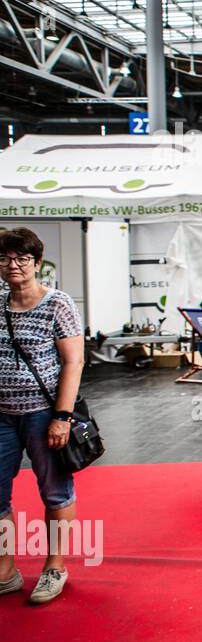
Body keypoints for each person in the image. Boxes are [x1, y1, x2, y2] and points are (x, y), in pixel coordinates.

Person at [0, 227, 86, 605]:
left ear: (37, 263)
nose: (12, 265)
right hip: (1, 415)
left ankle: (55, 566)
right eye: (5, 258)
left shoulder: (57, 303)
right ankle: (5, 570)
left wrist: (62, 417)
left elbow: (74, 361)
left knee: (54, 491)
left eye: (21, 258)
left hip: (43, 414)